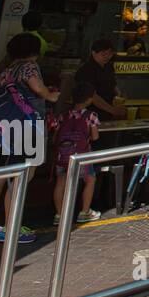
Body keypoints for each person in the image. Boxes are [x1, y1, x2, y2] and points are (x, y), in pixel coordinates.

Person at [0, 33, 60, 243]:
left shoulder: (6, 71)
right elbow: (38, 88)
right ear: (35, 51)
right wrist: (51, 96)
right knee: (20, 176)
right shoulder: (29, 67)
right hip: (25, 129)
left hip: (0, 129)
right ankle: (12, 227)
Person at [48, 80, 102, 224]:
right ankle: (84, 212)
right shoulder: (91, 115)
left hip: (63, 154)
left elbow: (55, 135)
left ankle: (59, 214)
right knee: (90, 180)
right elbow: (95, 136)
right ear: (90, 99)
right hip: (82, 154)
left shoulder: (63, 115)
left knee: (61, 182)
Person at [73, 38, 126, 119]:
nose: (107, 57)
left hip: (109, 110)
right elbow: (92, 96)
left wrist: (119, 96)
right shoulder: (85, 71)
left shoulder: (108, 66)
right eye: (104, 54)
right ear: (94, 53)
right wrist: (112, 110)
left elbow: (113, 85)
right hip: (90, 114)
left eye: (110, 54)